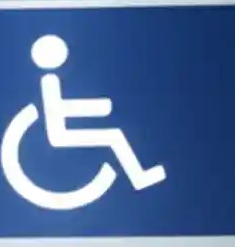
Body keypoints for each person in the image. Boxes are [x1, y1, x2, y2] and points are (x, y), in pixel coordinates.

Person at [31, 35, 166, 190]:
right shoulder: (50, 82)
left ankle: (139, 176)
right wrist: (99, 107)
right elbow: (57, 109)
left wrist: (100, 108)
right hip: (60, 134)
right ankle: (139, 177)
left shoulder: (50, 80)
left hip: (61, 132)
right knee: (114, 136)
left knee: (114, 135)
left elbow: (61, 108)